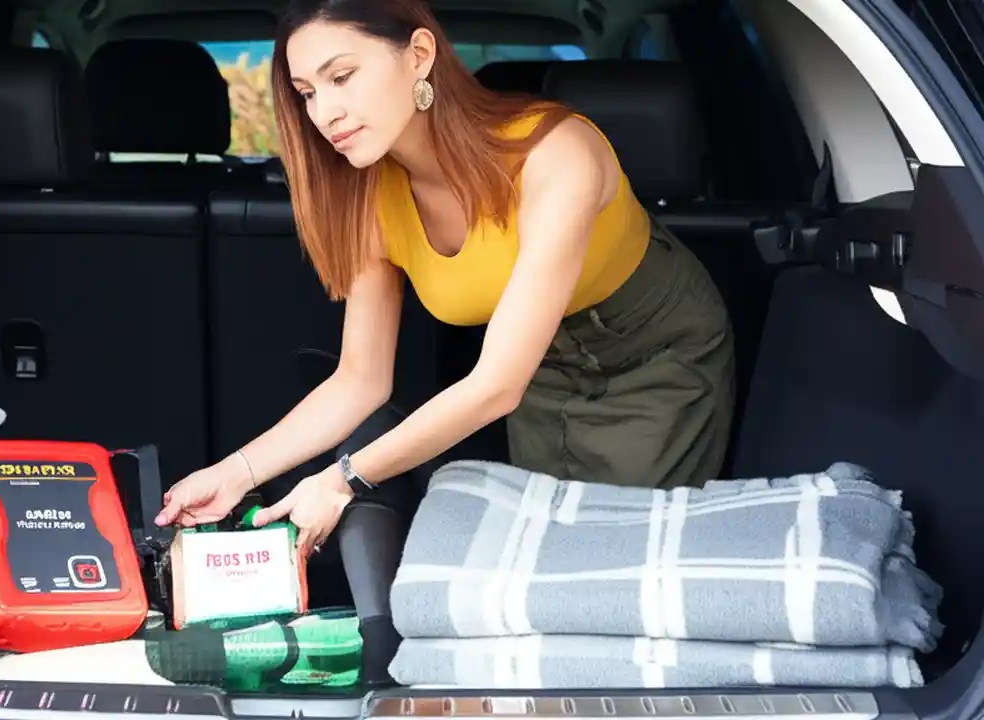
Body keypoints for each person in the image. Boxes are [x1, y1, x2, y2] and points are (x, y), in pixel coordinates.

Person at [157, 0, 734, 562]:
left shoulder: (556, 154)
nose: (324, 112)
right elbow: (360, 379)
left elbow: (497, 385)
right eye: (307, 93)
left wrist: (342, 479)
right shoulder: (369, 193)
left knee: (622, 557)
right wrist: (233, 474)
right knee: (549, 557)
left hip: (655, 358)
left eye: (342, 77)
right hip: (541, 369)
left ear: (419, 55)